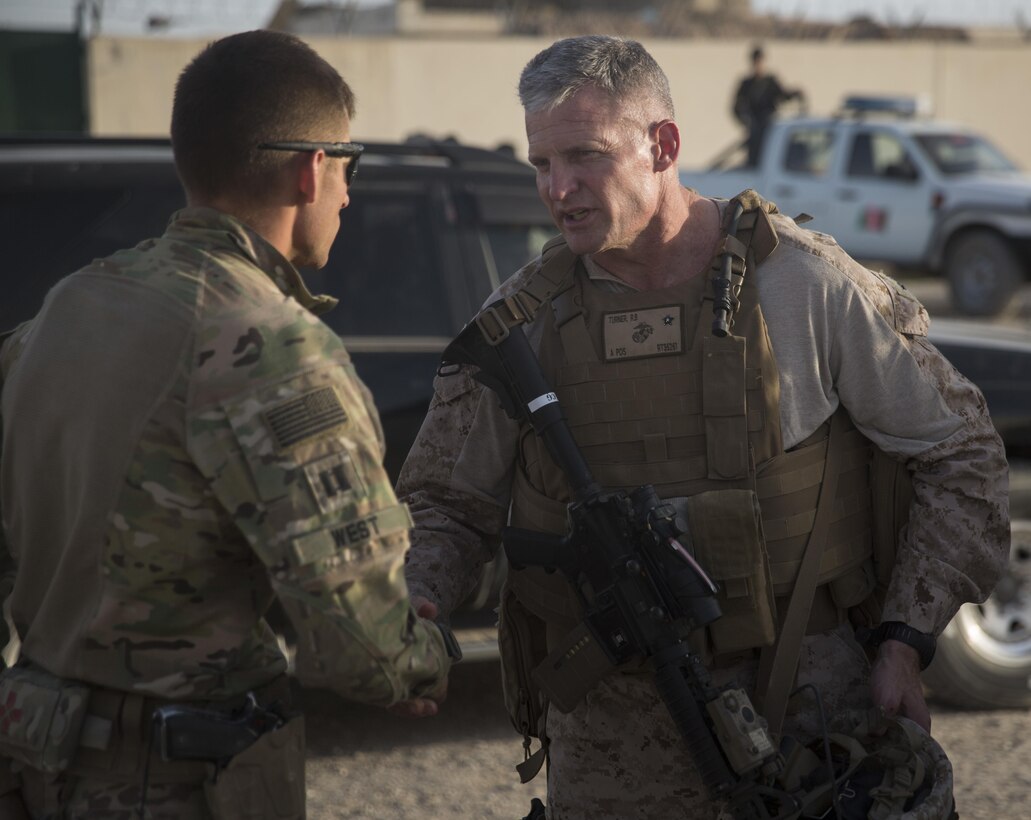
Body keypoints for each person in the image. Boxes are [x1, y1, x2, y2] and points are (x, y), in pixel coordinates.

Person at [395, 35, 1009, 818]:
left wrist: (905, 641)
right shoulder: (518, 325)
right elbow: (444, 505)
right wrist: (415, 608)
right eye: (541, 164)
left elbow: (960, 454)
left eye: (584, 157)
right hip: (610, 743)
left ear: (663, 145)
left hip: (807, 721)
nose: (557, 189)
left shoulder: (802, 284)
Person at [0, 30, 452, 819]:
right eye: (349, 168)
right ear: (311, 170)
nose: (349, 196)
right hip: (175, 778)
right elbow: (362, 649)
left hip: (40, 759)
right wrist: (421, 659)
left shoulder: (70, 304)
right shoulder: (271, 345)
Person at [733, 45, 805, 167]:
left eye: (760, 62)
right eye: (756, 62)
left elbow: (783, 95)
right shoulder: (746, 84)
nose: (758, 65)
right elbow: (736, 108)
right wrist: (748, 123)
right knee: (754, 161)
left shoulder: (770, 81)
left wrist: (795, 93)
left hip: (770, 129)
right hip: (755, 133)